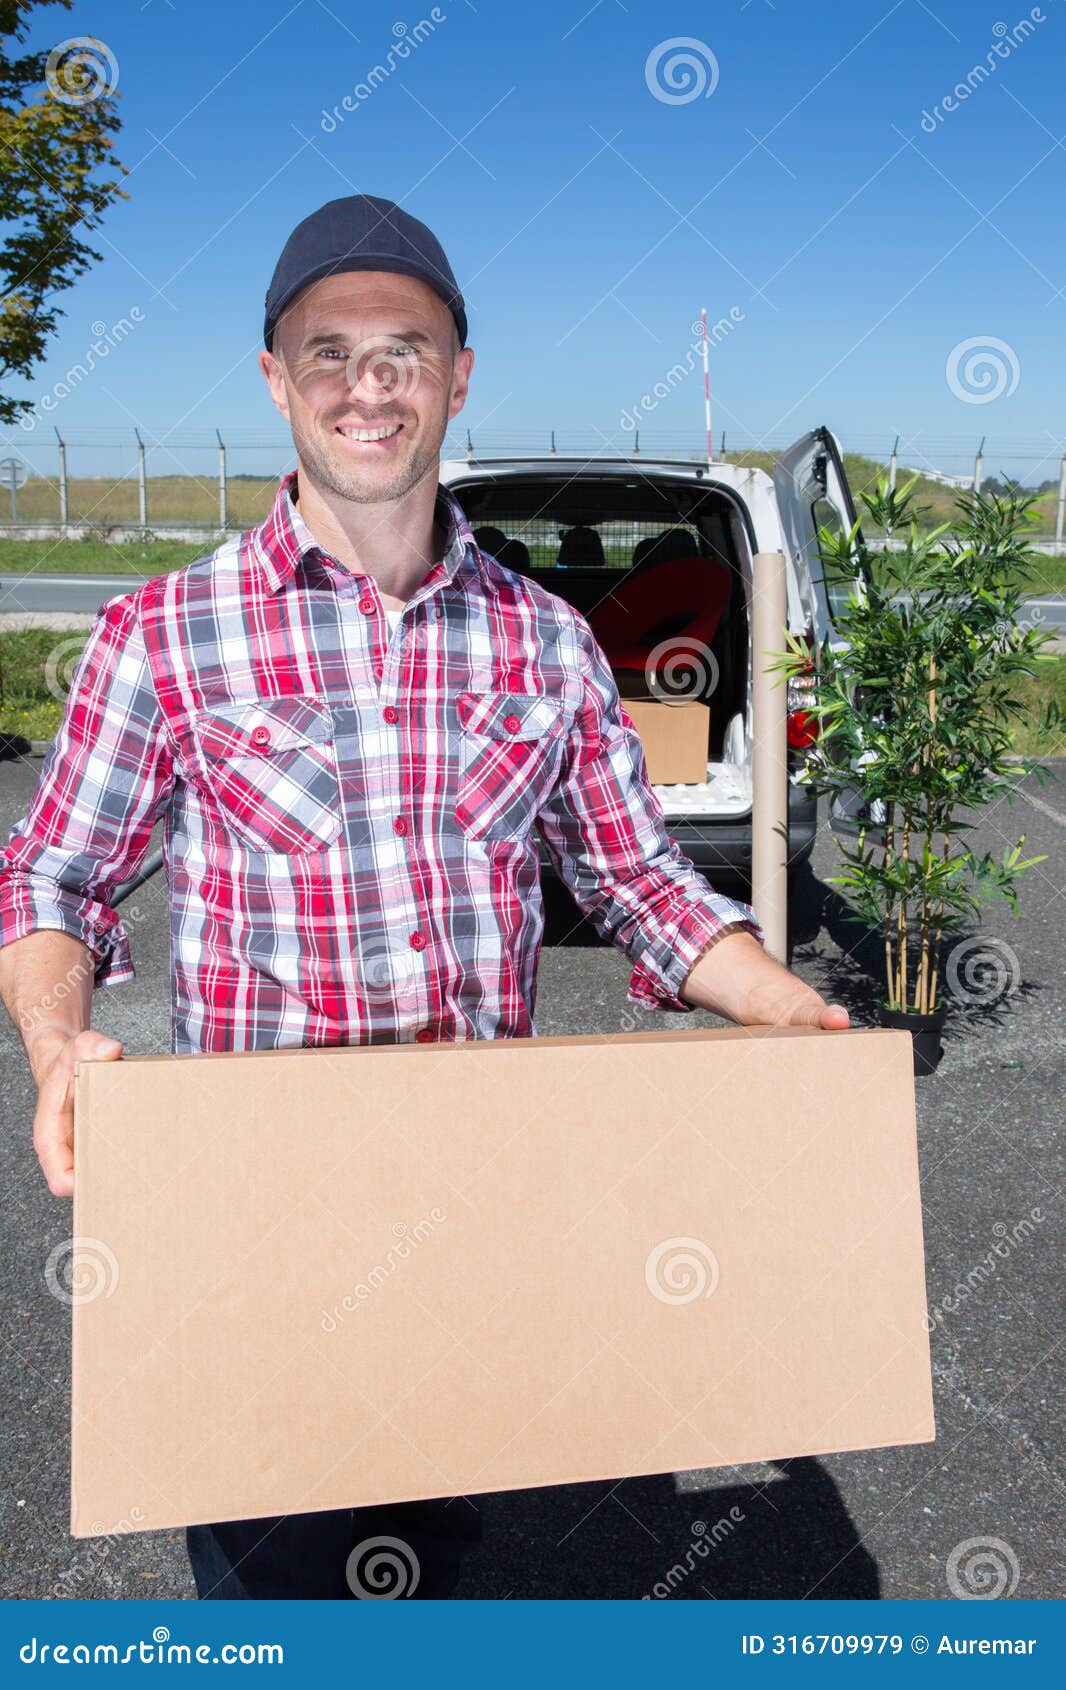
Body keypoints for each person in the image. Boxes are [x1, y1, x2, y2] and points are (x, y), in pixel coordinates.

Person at [0, 194, 849, 1600]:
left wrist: (784, 1006)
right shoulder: (162, 634)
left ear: (458, 375)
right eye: (327, 350)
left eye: (405, 347)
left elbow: (638, 879)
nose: (367, 383)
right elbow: (56, 872)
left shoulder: (549, 644)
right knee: (275, 1577)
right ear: (275, 381)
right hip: (255, 1225)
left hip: (472, 1211)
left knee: (447, 1556)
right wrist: (53, 1042)